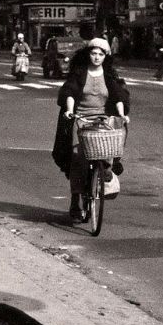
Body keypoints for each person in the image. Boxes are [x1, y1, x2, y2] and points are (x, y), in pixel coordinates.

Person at [51, 38, 130, 223]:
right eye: (93, 53)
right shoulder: (80, 73)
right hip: (81, 118)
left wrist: (121, 114)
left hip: (102, 119)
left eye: (100, 54)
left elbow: (118, 96)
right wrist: (70, 111)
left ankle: (107, 169)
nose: (96, 57)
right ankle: (75, 200)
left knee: (110, 145)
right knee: (77, 158)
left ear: (105, 57)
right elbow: (70, 92)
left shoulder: (109, 75)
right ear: (88, 54)